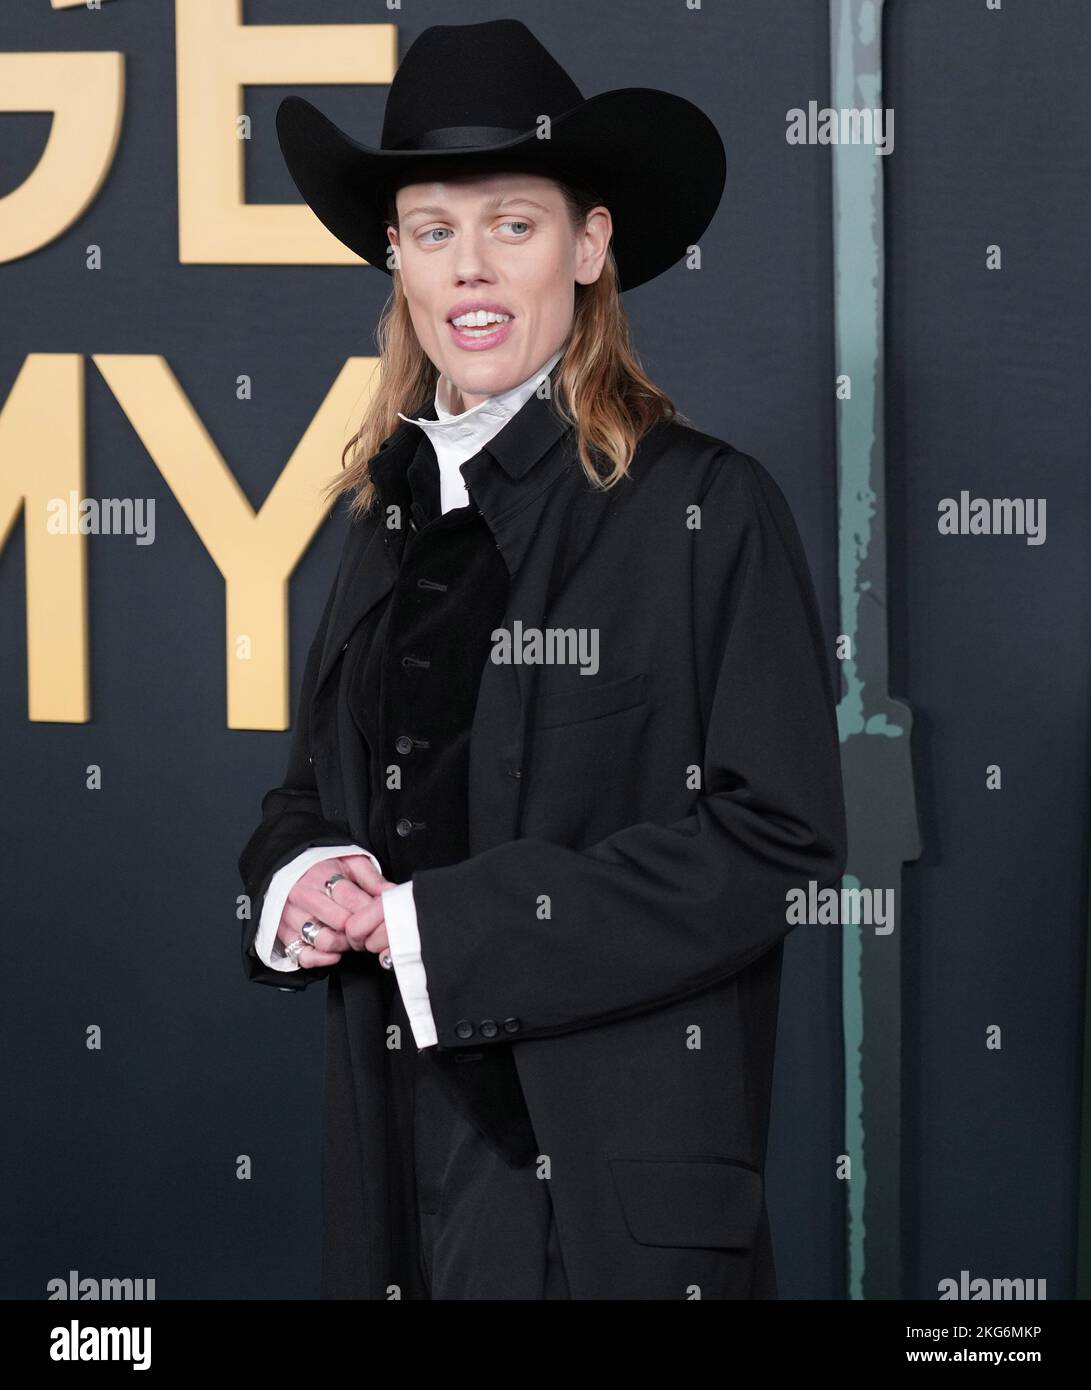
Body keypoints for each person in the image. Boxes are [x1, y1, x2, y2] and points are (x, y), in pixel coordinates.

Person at [238, 18, 847, 1300]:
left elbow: (775, 836)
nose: (471, 267)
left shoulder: (706, 507)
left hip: (610, 1212)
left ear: (587, 246)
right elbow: (311, 789)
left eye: (512, 223)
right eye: (432, 229)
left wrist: (433, 928)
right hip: (400, 1177)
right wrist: (302, 874)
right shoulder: (382, 516)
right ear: (394, 258)